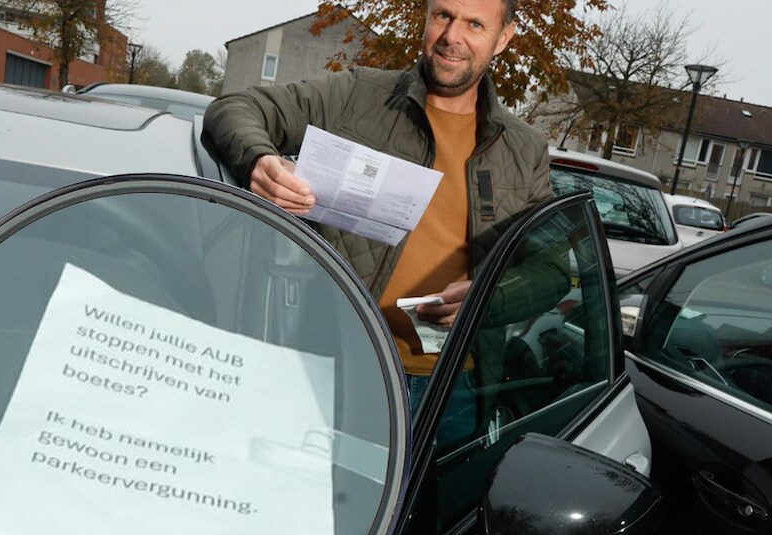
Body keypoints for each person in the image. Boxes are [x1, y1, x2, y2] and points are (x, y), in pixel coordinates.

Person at [203, 0, 553, 414]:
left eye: (475, 24)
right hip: (336, 370)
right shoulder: (357, 95)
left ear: (503, 39)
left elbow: (551, 270)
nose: (451, 36)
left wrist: (488, 297)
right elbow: (234, 108)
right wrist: (257, 160)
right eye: (443, 15)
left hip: (454, 390)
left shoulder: (524, 149)